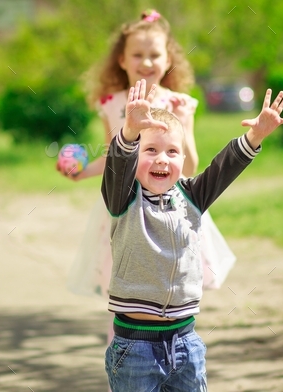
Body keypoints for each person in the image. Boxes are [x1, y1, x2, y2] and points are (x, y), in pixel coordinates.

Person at [103, 79, 283, 392]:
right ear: (136, 156)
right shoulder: (123, 197)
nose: (163, 159)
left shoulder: (192, 195)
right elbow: (117, 165)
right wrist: (129, 133)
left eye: (172, 152)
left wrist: (256, 135)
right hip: (134, 348)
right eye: (150, 150)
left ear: (183, 160)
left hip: (186, 343)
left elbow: (223, 168)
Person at [60, 9, 235, 307]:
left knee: (176, 279)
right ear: (122, 60)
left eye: (155, 54)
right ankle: (125, 343)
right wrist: (83, 171)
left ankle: (174, 336)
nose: (146, 62)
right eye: (137, 54)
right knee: (124, 286)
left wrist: (184, 121)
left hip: (171, 208)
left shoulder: (179, 104)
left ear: (168, 60)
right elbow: (111, 159)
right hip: (126, 207)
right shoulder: (112, 104)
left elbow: (189, 168)